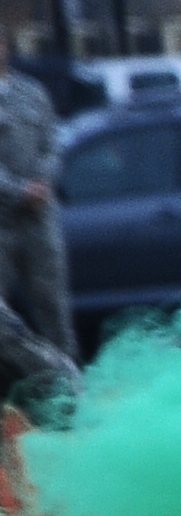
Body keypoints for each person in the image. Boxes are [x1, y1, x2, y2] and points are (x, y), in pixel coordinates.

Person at [0, 57, 75, 413]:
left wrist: (42, 183)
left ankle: (67, 393)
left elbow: (53, 142)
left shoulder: (31, 93)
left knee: (52, 307)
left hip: (40, 219)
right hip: (3, 217)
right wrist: (18, 191)